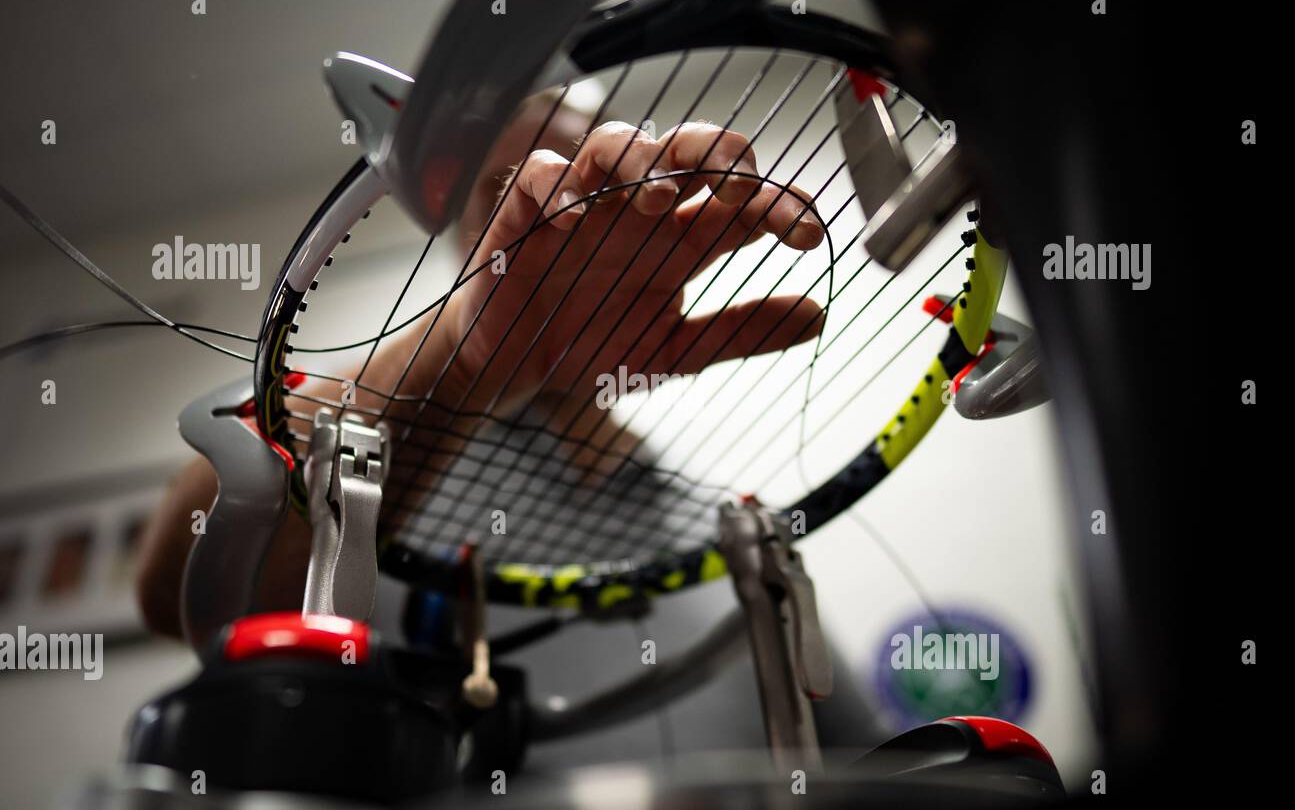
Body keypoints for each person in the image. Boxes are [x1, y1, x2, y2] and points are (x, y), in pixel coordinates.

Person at [135, 96, 826, 637]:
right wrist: (464, 359)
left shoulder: (723, 528)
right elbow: (183, 596)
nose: (555, 223)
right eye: (509, 196)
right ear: (469, 242)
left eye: (587, 184)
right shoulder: (377, 467)